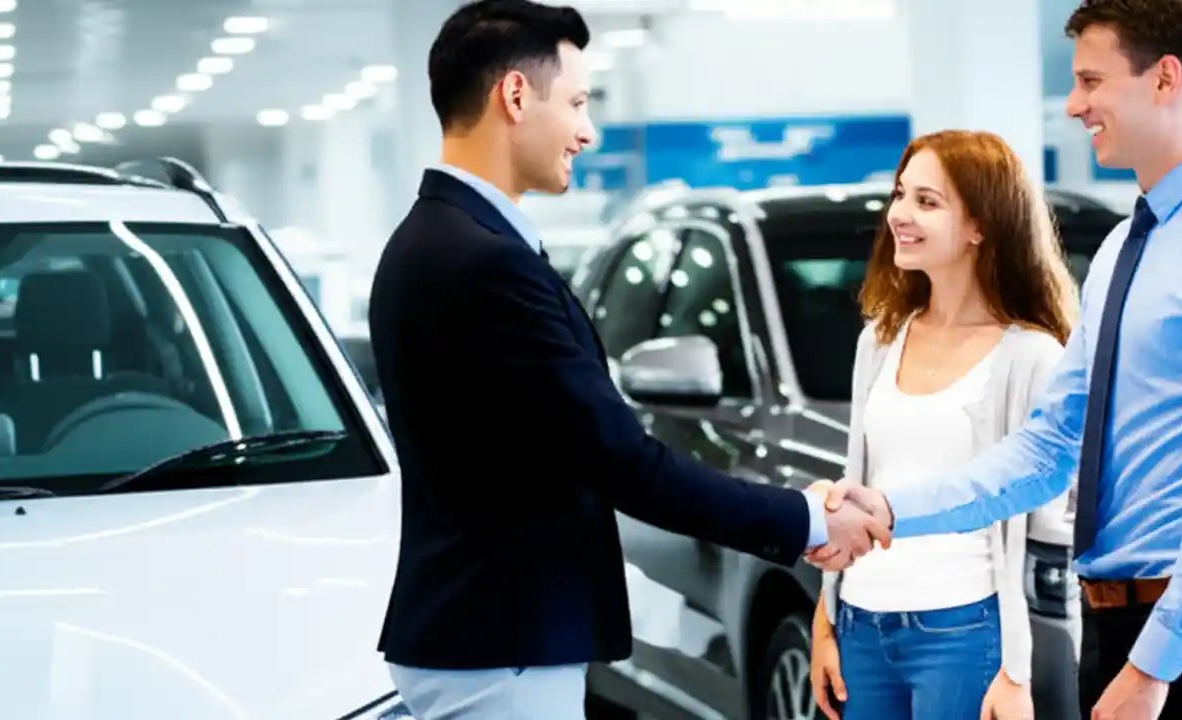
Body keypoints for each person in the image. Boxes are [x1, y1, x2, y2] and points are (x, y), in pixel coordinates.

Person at [366, 1, 890, 717]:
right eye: (578, 102)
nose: (587, 131)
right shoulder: (481, 261)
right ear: (515, 95)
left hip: (488, 634)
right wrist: (805, 518)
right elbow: (620, 460)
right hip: (501, 644)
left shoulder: (442, 240)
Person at [811, 1, 1182, 718]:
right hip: (1115, 620)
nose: (1074, 105)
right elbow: (1044, 452)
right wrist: (888, 508)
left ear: (1165, 79)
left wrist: (1156, 665)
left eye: (1091, 81)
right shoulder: (1119, 255)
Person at [807, 130, 1077, 720]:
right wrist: (825, 618)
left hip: (963, 632)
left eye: (927, 202)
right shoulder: (878, 340)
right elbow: (859, 476)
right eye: (901, 195)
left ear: (981, 226)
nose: (900, 214)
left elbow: (1051, 532)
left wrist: (1016, 671)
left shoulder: (1031, 356)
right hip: (862, 624)